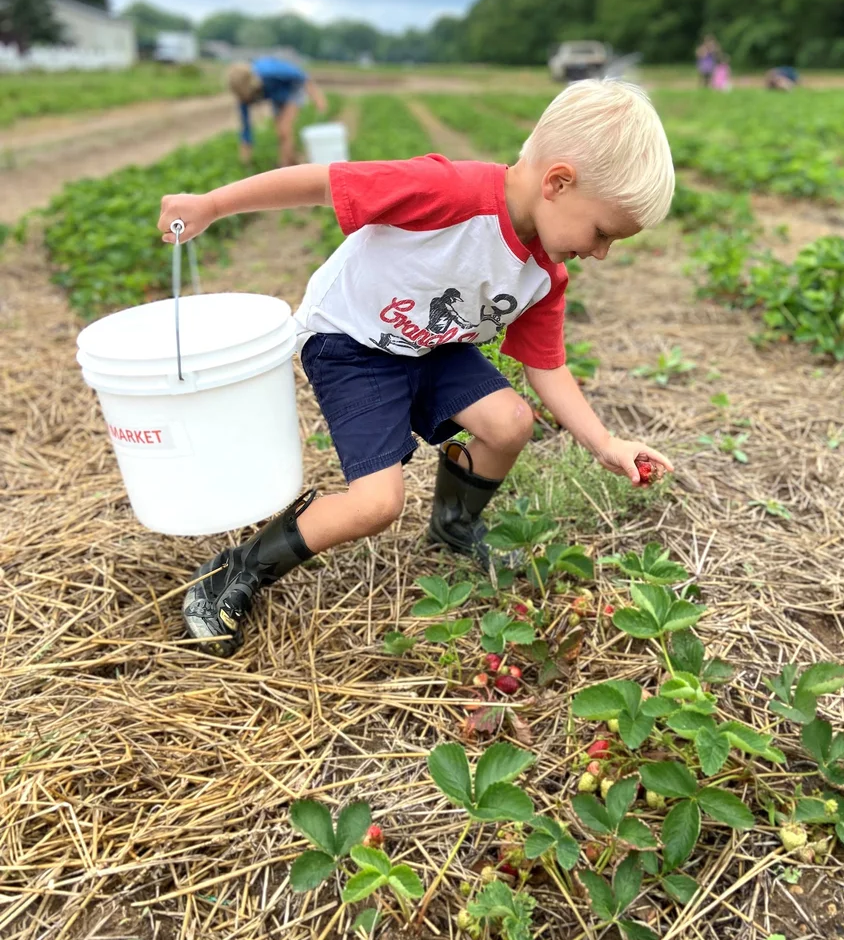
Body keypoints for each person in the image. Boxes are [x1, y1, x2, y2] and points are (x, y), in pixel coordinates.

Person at [156, 79, 676, 657]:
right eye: (602, 233)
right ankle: (232, 572)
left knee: (510, 423)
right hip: (352, 339)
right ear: (557, 182)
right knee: (376, 505)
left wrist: (605, 442)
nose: (601, 252)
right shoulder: (447, 191)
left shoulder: (544, 274)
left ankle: (453, 524)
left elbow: (546, 366)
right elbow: (321, 182)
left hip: (429, 342)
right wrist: (212, 205)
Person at [227, 57, 328, 168]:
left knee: (284, 128)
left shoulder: (268, 72)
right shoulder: (244, 96)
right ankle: (292, 160)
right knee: (280, 132)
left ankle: (285, 167)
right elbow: (246, 127)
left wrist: (317, 98)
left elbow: (301, 76)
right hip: (278, 98)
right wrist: (245, 157)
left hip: (293, 89)